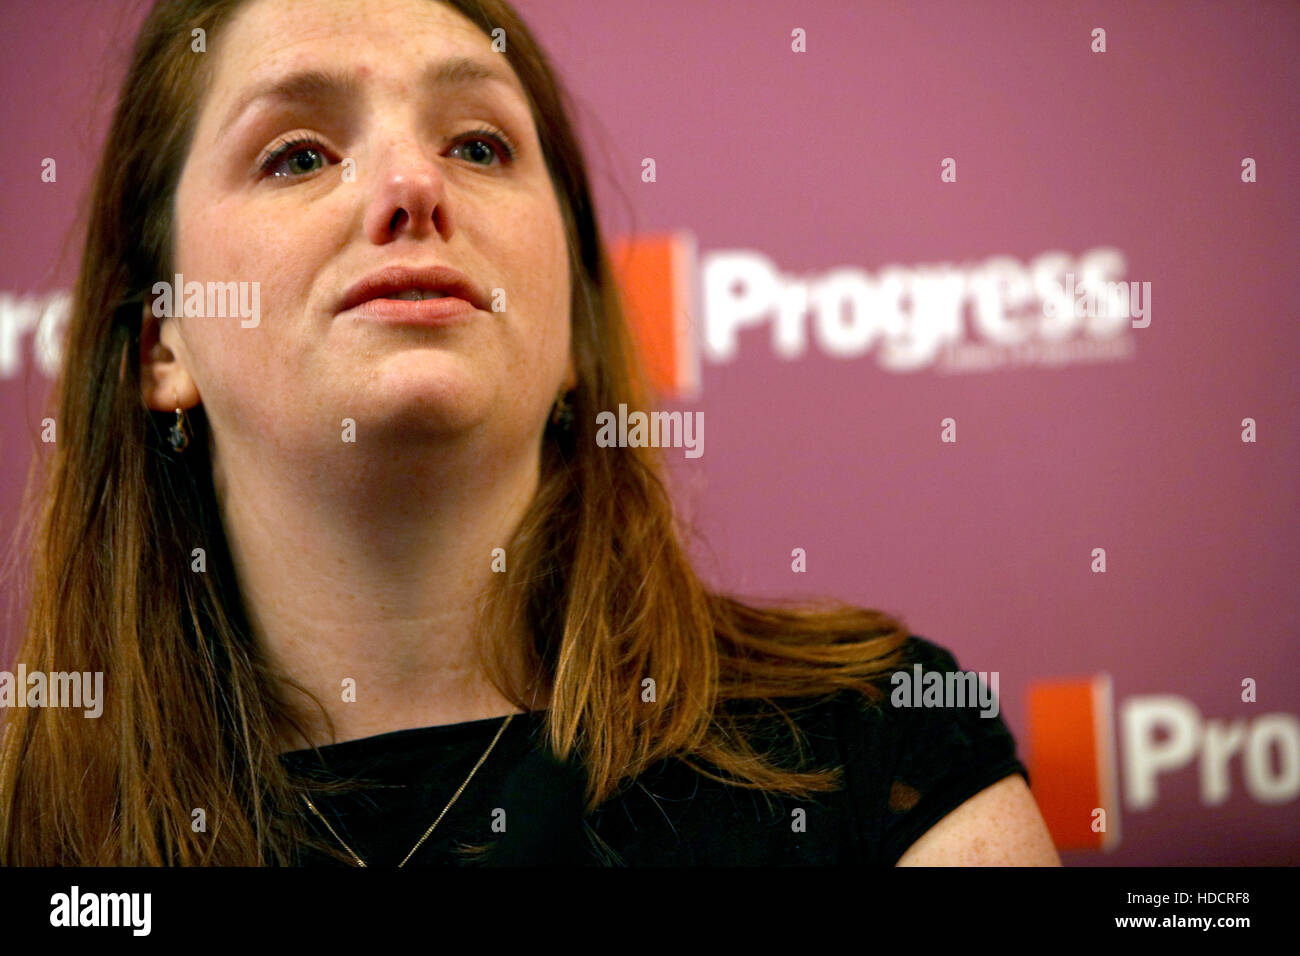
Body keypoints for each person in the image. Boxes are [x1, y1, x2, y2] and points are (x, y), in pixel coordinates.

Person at [0, 0, 1059, 866]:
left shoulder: (874, 746)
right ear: (161, 341)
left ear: (574, 335)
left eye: (478, 143)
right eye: (297, 154)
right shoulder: (32, 827)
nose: (411, 187)